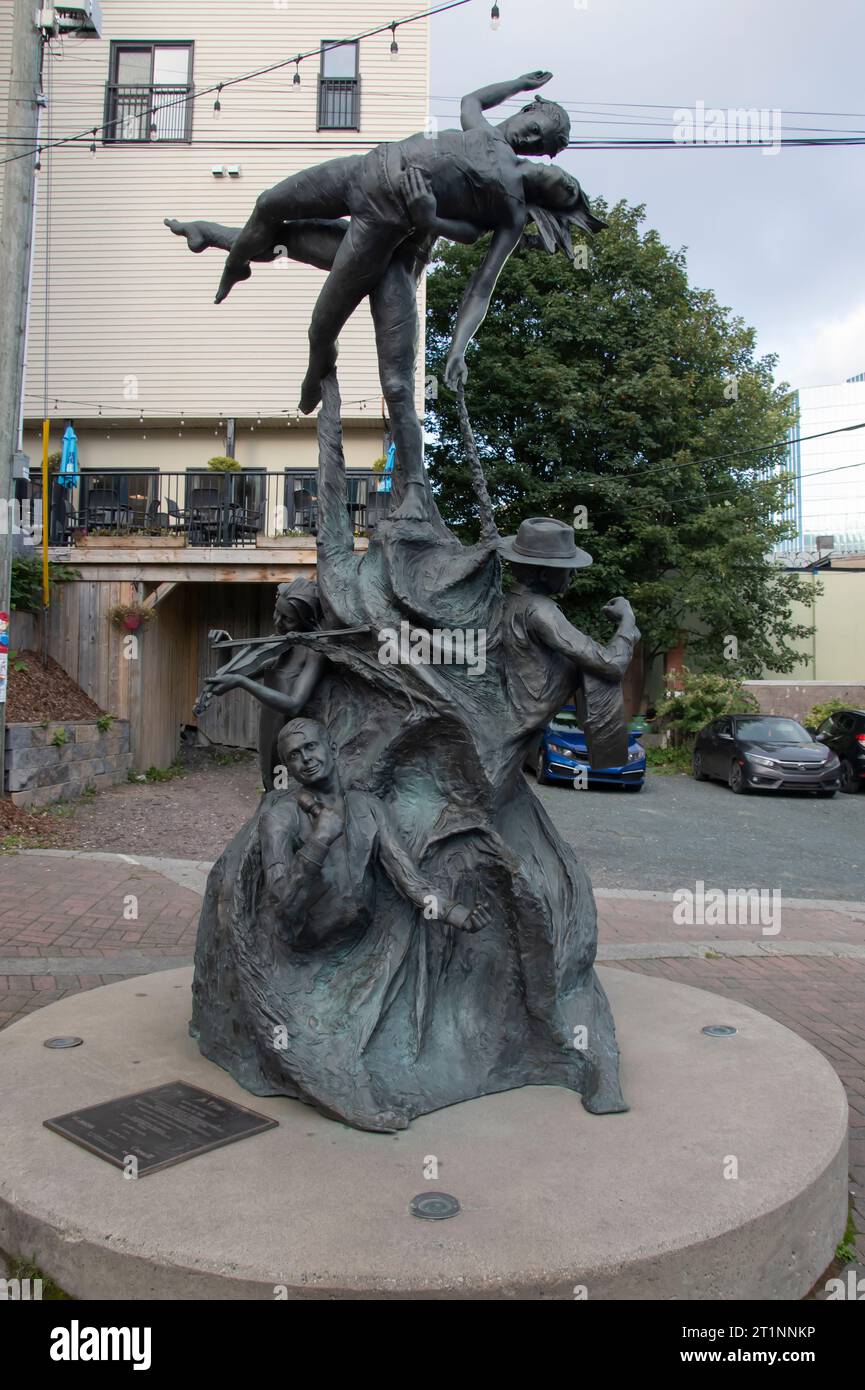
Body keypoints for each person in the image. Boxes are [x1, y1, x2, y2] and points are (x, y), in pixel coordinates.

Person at [203, 579, 325, 791]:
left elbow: (294, 704)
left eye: (288, 619)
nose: (278, 622)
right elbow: (231, 676)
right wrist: (225, 650)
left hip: (298, 736)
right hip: (269, 729)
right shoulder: (274, 644)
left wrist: (242, 682)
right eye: (276, 613)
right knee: (271, 787)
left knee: (291, 794)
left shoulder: (314, 652)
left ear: (305, 620)